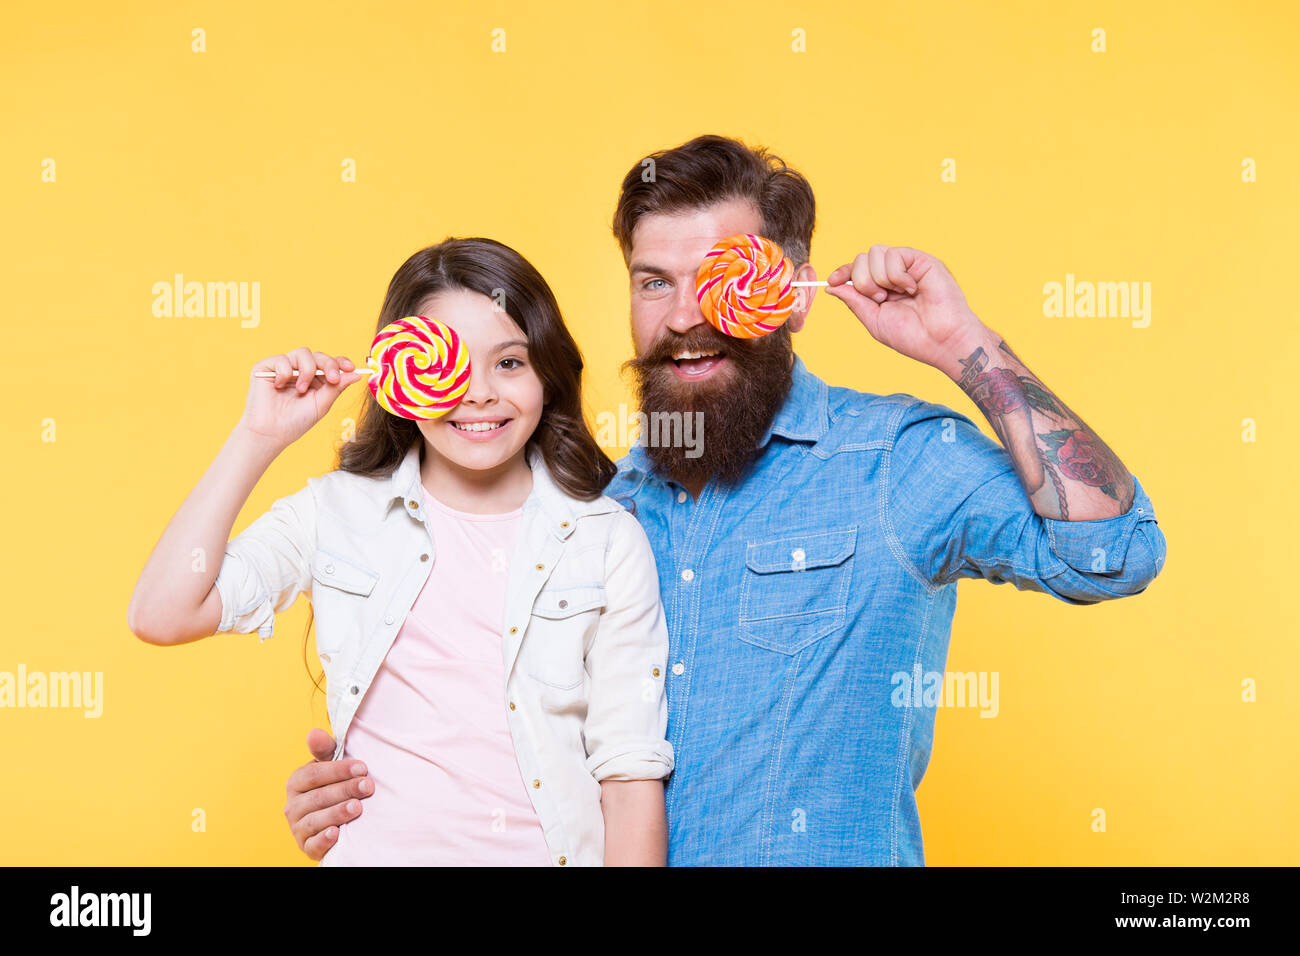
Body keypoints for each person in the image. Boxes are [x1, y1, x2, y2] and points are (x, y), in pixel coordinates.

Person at [283, 135, 1168, 866]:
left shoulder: (895, 461)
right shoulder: (599, 512)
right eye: (653, 281)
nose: (683, 316)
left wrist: (963, 346)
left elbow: (1114, 552)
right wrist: (374, 794)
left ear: (789, 293)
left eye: (722, 276)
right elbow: (515, 739)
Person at [128, 237, 673, 866]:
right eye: (450, 365)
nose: (479, 393)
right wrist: (258, 435)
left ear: (548, 375)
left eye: (510, 362)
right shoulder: (337, 513)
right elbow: (160, 613)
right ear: (402, 378)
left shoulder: (605, 539)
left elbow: (630, 773)